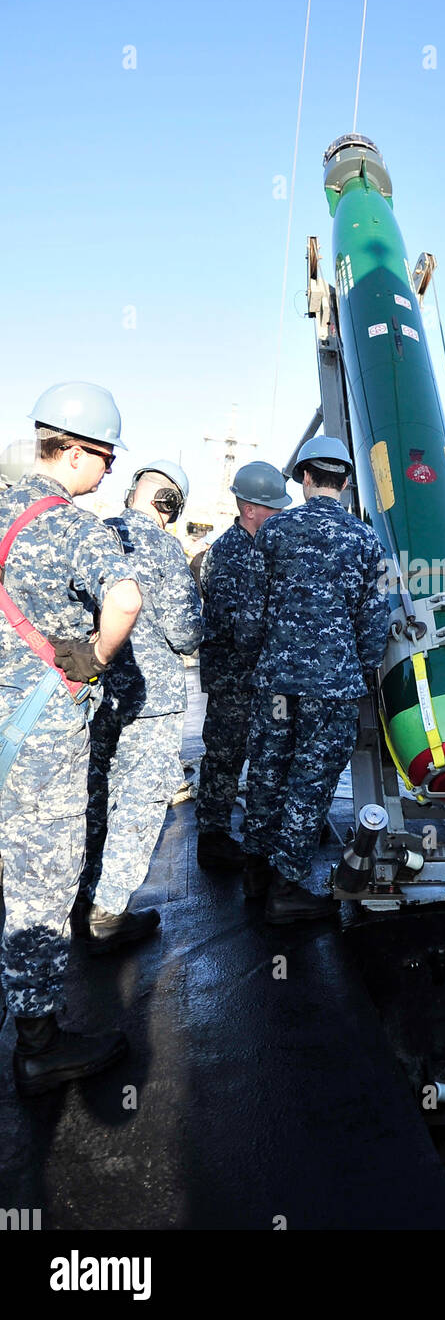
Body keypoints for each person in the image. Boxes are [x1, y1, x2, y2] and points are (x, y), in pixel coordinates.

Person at [0, 383, 142, 1095]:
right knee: (37, 887)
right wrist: (94, 655)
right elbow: (125, 598)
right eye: (107, 459)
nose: (108, 474)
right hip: (42, 740)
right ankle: (38, 1042)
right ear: (79, 450)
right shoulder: (74, 526)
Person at [236, 436, 389, 922]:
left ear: (304, 477)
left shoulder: (273, 531)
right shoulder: (365, 539)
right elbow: (374, 622)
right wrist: (358, 669)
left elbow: (248, 615)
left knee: (266, 770)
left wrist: (259, 660)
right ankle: (287, 886)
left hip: (276, 681)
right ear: (345, 483)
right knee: (311, 778)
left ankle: (256, 873)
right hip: (332, 685)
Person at [76, 461, 202, 952]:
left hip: (94, 694)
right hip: (151, 702)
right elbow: (185, 633)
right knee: (139, 804)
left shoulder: (93, 534)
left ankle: (80, 897)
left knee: (95, 797)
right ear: (169, 507)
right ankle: (107, 914)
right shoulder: (166, 548)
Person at [195, 462, 291, 872]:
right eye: (273, 508)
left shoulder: (264, 548)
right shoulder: (229, 553)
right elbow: (228, 622)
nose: (280, 515)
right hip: (234, 676)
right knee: (225, 754)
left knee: (268, 753)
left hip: (260, 676)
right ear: (250, 508)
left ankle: (269, 825)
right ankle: (213, 835)